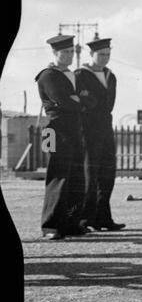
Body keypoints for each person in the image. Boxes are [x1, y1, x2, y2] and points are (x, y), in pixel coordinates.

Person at [35, 34, 87, 240]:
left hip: (73, 128)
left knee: (76, 177)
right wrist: (78, 100)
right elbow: (64, 101)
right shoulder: (47, 75)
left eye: (71, 52)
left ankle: (71, 223)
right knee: (58, 176)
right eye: (64, 52)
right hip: (54, 129)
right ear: (54, 53)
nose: (68, 55)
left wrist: (78, 100)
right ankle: (51, 226)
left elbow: (85, 100)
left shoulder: (72, 75)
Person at [76, 36, 124, 231]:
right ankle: (85, 219)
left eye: (108, 55)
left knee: (107, 173)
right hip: (87, 130)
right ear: (91, 54)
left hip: (105, 128)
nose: (105, 58)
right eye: (101, 55)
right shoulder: (80, 75)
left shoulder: (110, 76)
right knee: (90, 174)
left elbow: (109, 104)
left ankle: (103, 217)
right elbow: (81, 103)